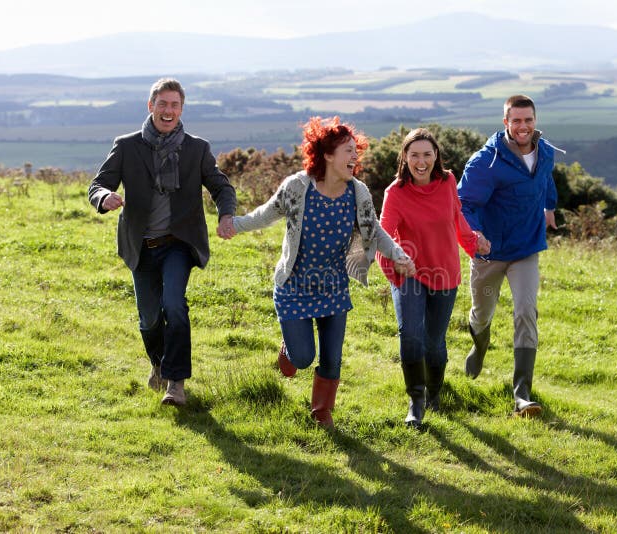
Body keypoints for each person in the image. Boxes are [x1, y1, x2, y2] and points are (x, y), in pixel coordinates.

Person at [229, 116, 415, 429]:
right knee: (302, 358)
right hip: (294, 286)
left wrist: (399, 254)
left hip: (333, 286)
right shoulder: (298, 187)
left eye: (356, 150)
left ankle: (321, 411)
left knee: (332, 357)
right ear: (327, 155)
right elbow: (265, 214)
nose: (355, 156)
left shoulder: (357, 193)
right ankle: (290, 349)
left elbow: (374, 231)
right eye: (347, 150)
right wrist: (234, 224)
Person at [88, 78, 236, 407]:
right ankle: (158, 363)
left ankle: (175, 383)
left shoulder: (197, 149)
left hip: (178, 243)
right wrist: (104, 196)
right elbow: (97, 184)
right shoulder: (127, 146)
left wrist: (226, 216)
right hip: (140, 244)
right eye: (162, 104)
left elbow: (221, 187)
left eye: (174, 105)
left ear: (181, 109)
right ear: (151, 106)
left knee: (174, 305)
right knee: (149, 318)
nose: (168, 111)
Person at [377, 128, 491, 428]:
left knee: (434, 345)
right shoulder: (395, 193)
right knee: (411, 335)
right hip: (409, 272)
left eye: (427, 154)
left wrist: (473, 242)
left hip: (444, 272)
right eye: (414, 155)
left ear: (436, 155)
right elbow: (383, 236)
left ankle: (434, 393)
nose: (421, 161)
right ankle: (416, 401)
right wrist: (396, 259)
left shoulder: (447, 181)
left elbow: (456, 218)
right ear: (405, 157)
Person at [457, 94, 561, 417]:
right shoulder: (486, 162)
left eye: (528, 120)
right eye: (516, 120)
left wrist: (549, 207)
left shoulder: (545, 152)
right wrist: (476, 235)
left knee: (526, 311)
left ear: (535, 121)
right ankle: (479, 345)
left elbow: (546, 180)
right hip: (489, 252)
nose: (523, 126)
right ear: (506, 122)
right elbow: (464, 203)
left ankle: (522, 395)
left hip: (526, 249)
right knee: (482, 313)